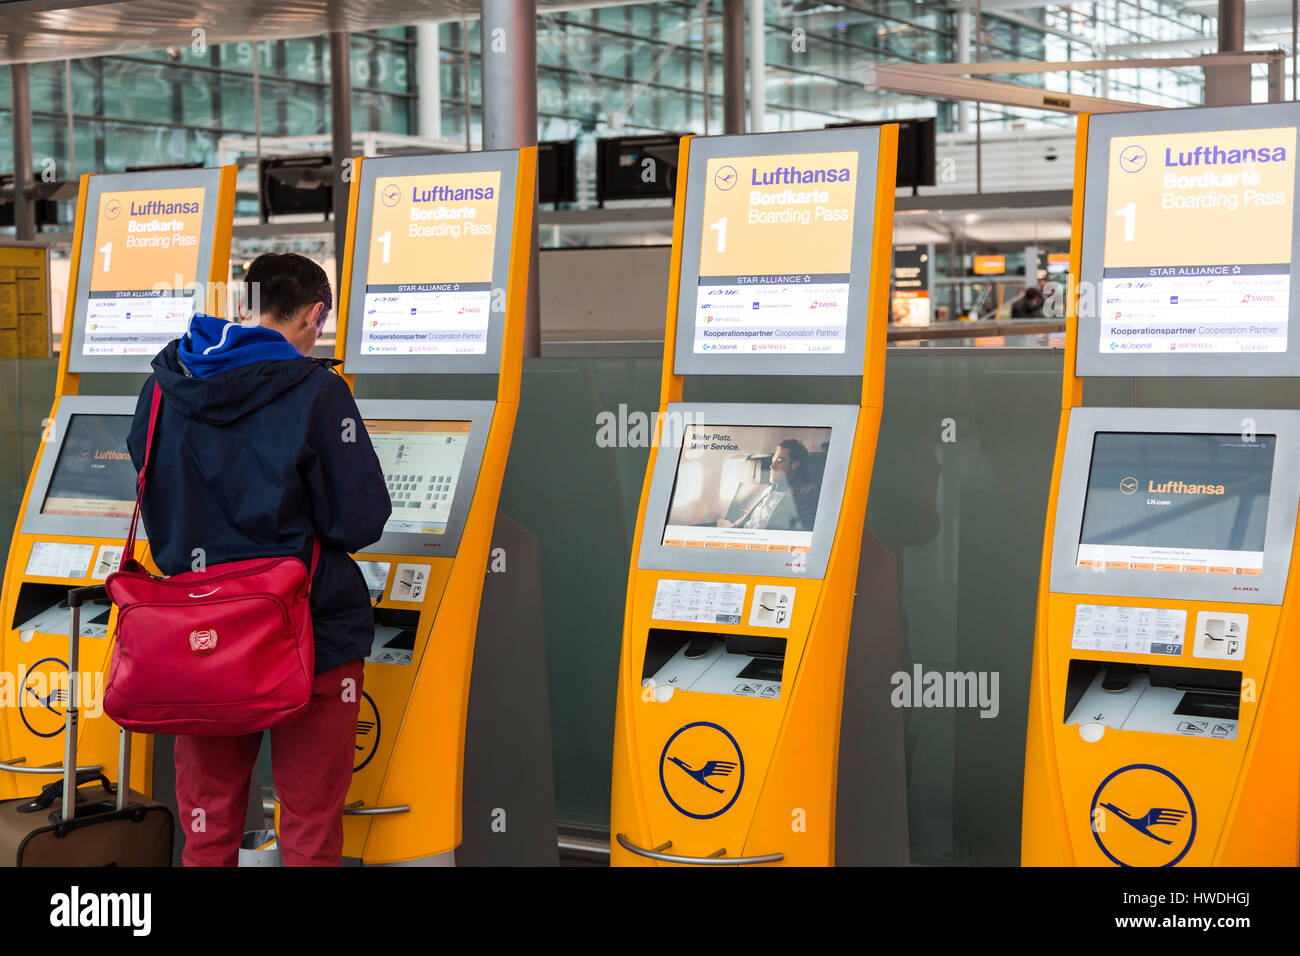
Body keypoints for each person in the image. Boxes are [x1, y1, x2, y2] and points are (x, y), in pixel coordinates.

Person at [126, 252, 391, 866]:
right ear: (314, 314)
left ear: (245, 303)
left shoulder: (166, 385)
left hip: (198, 636)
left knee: (208, 824)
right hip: (309, 631)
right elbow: (358, 520)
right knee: (308, 823)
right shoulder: (319, 391)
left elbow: (147, 482)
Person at [723, 439, 820, 532]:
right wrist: (729, 530)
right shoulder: (768, 490)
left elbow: (804, 532)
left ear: (794, 464)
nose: (772, 466)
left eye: (779, 460)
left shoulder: (806, 493)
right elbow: (751, 516)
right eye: (773, 461)